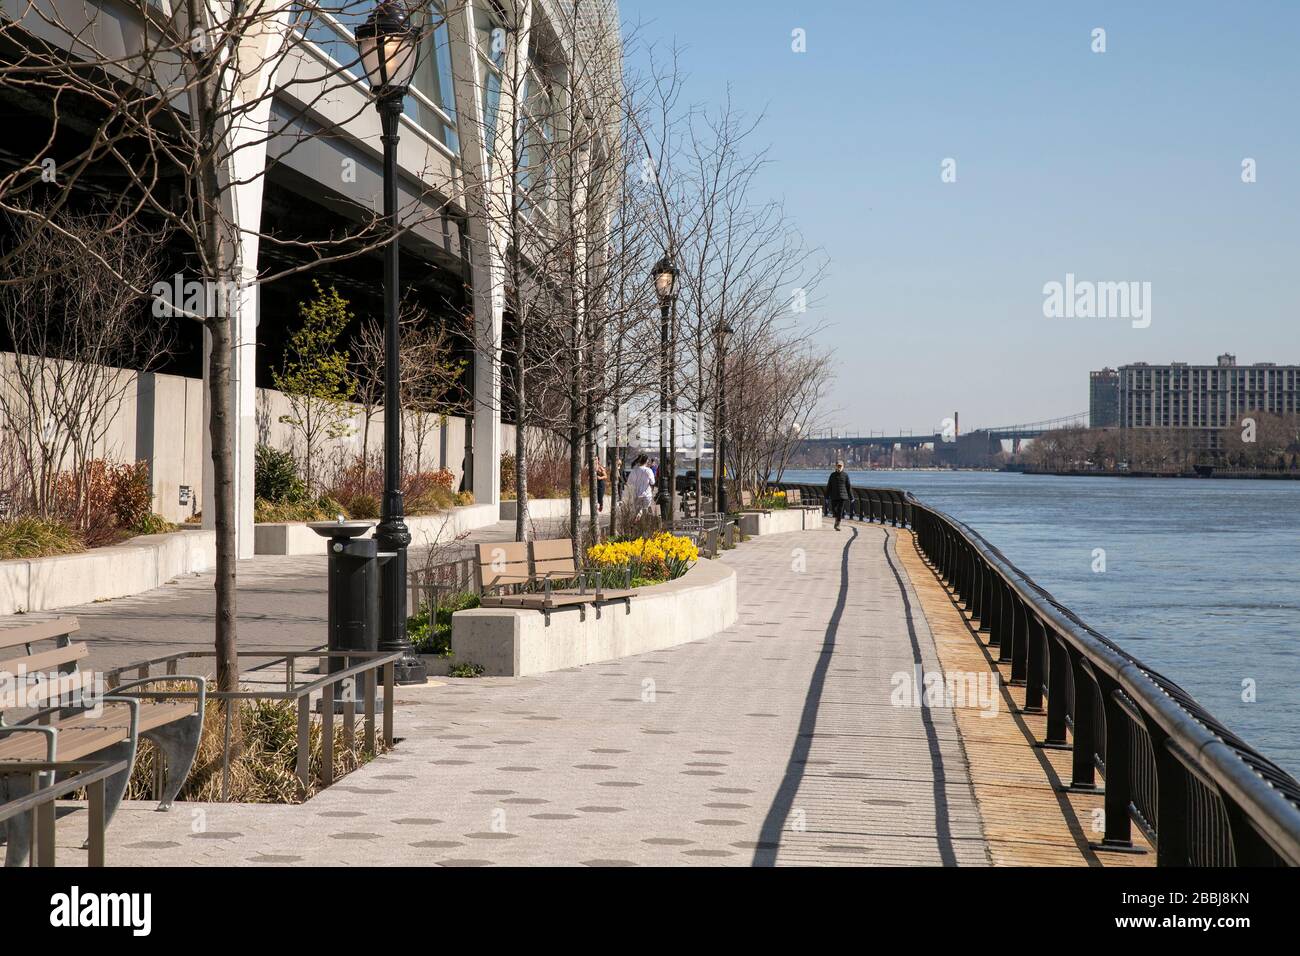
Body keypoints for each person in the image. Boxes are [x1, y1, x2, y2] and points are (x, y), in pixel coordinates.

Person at [826, 460, 852, 530]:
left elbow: (848, 486)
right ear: (836, 466)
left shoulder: (845, 475)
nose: (839, 467)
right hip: (834, 495)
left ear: (843, 467)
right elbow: (829, 486)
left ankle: (838, 524)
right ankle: (837, 520)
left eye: (840, 466)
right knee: (834, 510)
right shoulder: (832, 475)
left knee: (840, 510)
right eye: (838, 466)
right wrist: (827, 497)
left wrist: (851, 497)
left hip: (843, 496)